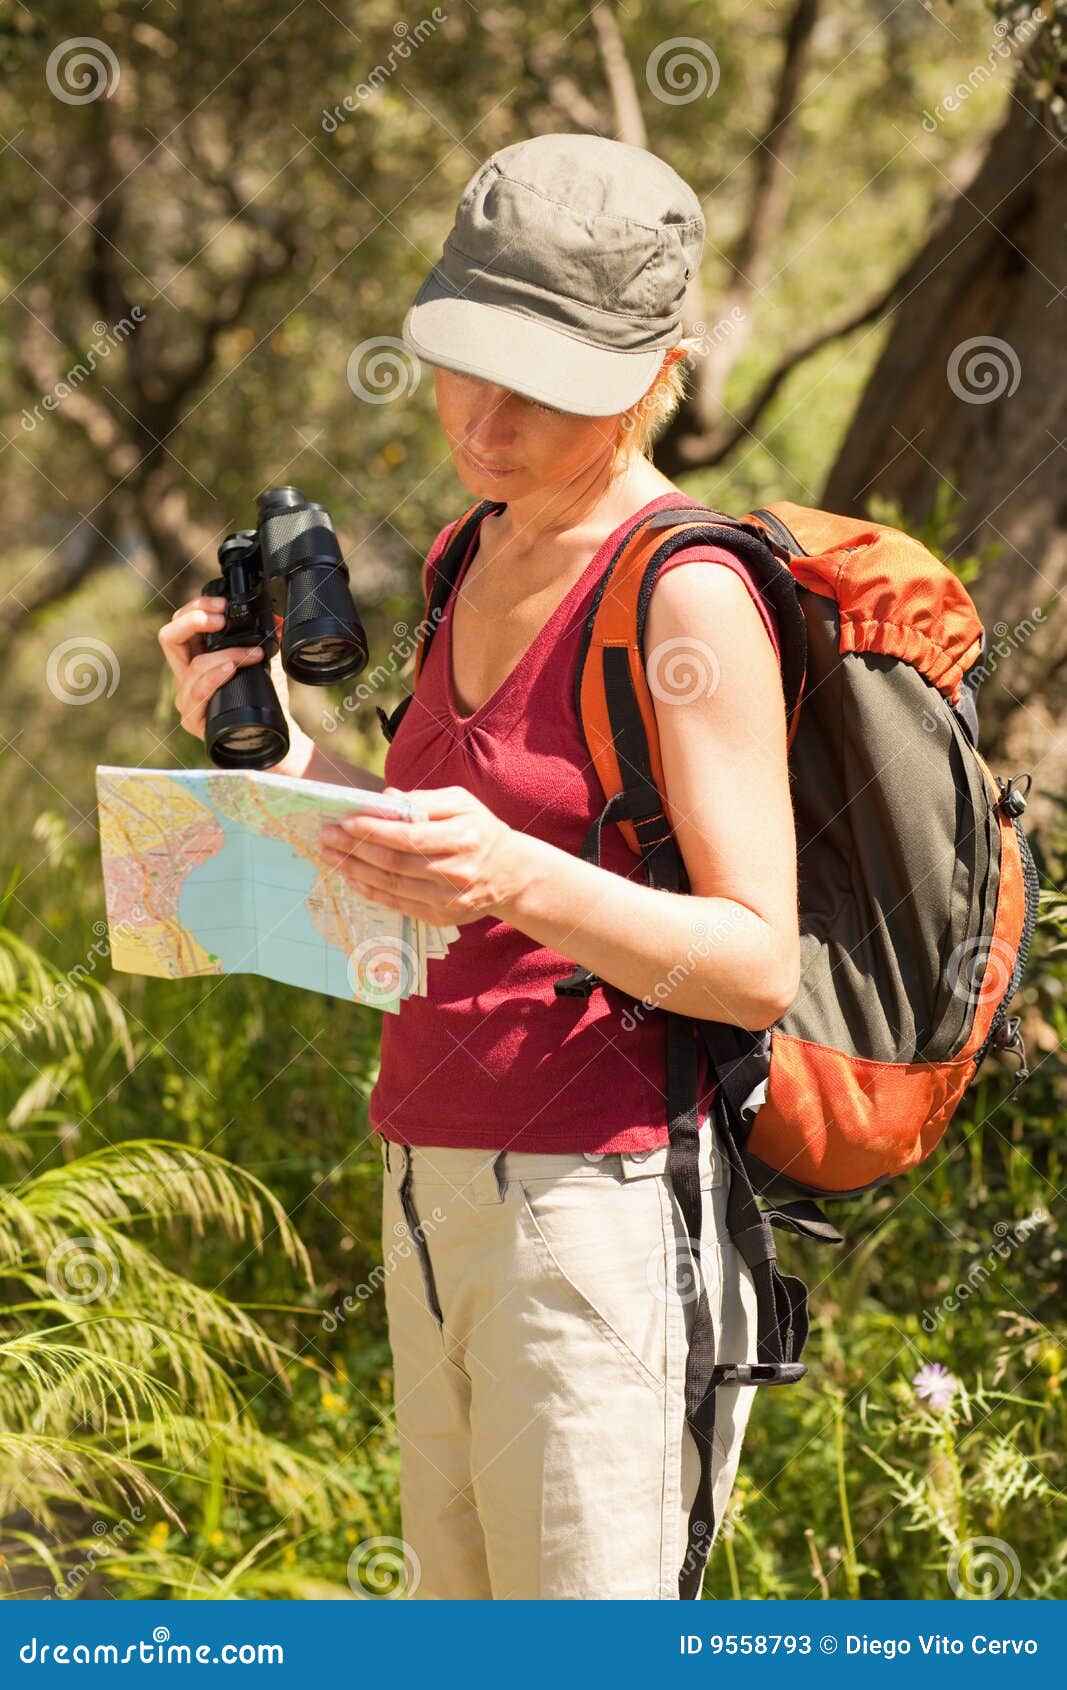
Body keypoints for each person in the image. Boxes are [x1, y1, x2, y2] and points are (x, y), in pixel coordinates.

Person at [159, 133, 800, 1601]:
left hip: (602, 1211)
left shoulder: (681, 590)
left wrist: (512, 872)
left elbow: (762, 956)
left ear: (656, 373)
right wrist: (259, 744)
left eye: (544, 384)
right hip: (427, 1177)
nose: (485, 418)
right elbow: (430, 857)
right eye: (465, 362)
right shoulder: (473, 550)